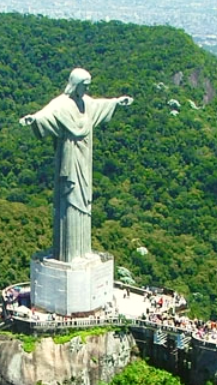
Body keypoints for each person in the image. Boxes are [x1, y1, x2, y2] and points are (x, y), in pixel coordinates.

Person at [20, 68, 132, 262]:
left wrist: (117, 102)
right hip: (69, 159)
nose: (86, 90)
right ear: (75, 85)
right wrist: (33, 119)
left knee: (84, 200)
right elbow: (45, 115)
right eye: (84, 86)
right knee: (69, 200)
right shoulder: (61, 104)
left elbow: (100, 105)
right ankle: (69, 253)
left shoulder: (87, 104)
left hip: (85, 159)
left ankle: (83, 250)